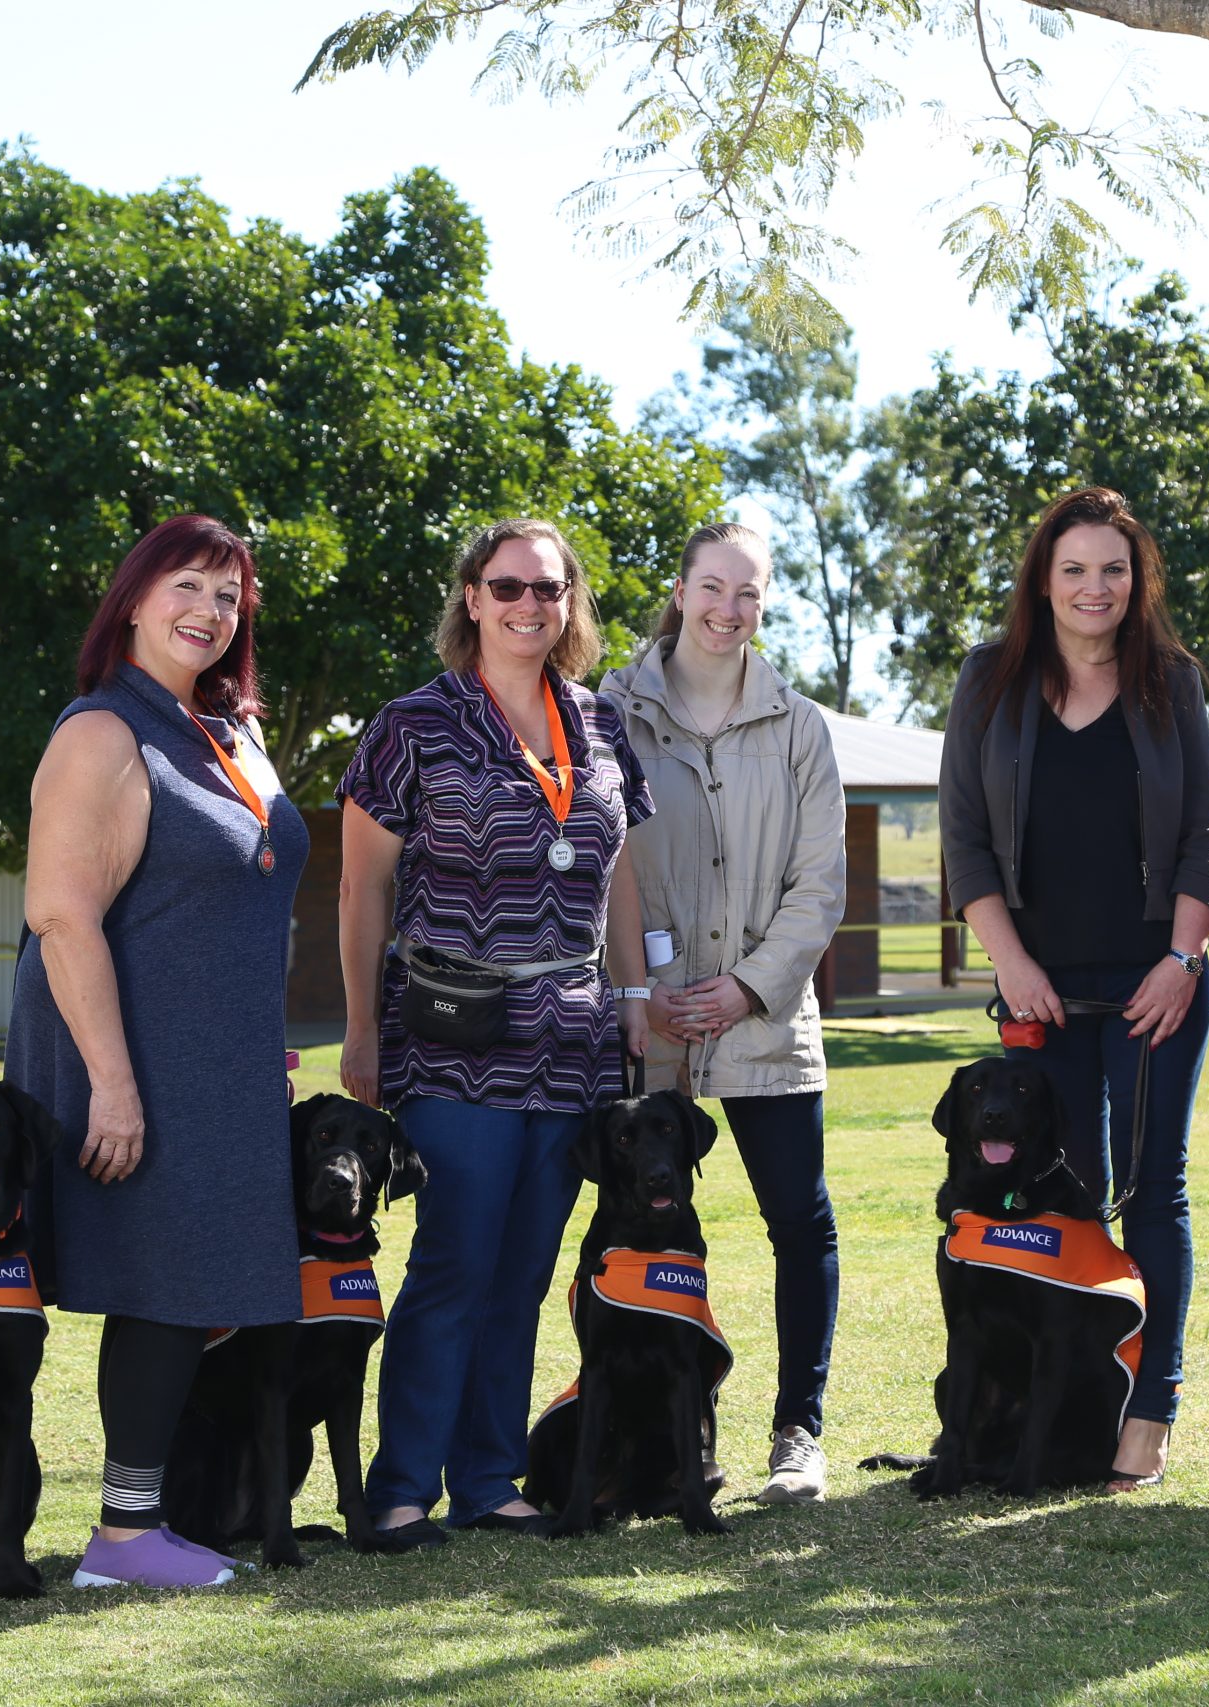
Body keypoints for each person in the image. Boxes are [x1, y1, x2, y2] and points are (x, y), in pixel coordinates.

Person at [4, 514, 308, 1590]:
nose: (209, 612)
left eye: (229, 597)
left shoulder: (228, 731)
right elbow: (62, 917)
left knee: (193, 1289)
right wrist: (115, 1089)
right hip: (128, 1058)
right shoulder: (102, 732)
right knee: (162, 1285)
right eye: (187, 585)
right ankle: (125, 1538)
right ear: (132, 598)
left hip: (220, 1063)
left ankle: (149, 1521)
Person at [337, 517, 653, 1548]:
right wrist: (358, 1031)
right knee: (454, 1263)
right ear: (470, 597)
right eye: (508, 588)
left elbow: (621, 874)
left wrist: (638, 997)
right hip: (451, 1034)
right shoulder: (412, 725)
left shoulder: (600, 725)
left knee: (523, 1269)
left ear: (571, 605)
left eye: (549, 590)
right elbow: (360, 889)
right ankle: (398, 1490)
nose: (530, 607)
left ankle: (487, 1478)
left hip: (571, 1038)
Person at [938, 486, 1209, 1490]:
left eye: (1112, 568)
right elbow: (964, 839)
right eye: (1074, 569)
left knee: (1154, 1192)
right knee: (1064, 1195)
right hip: (1040, 987)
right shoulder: (990, 679)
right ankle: (1063, 1404)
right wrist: (1010, 964)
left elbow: (1205, 830)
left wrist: (1183, 960)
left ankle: (1149, 1410)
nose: (1093, 587)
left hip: (1154, 981)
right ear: (1043, 580)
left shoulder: (1171, 680)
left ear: (1136, 579)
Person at [601, 521, 846, 1503]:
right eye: (712, 587)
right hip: (646, 1018)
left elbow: (820, 883)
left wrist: (747, 985)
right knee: (630, 1227)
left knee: (800, 1222)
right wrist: (637, 987)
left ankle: (798, 1432)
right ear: (679, 588)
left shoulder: (799, 726)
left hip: (765, 1021)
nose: (727, 610)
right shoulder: (609, 711)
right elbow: (604, 855)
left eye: (748, 594)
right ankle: (634, 1441)